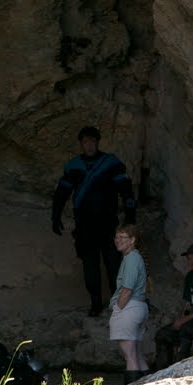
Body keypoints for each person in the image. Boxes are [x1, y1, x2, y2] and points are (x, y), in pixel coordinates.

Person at [51, 125, 137, 317]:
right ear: (81, 144)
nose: (89, 145)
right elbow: (62, 192)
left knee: (113, 264)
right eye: (86, 142)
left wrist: (131, 214)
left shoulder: (110, 163)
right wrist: (55, 215)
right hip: (85, 226)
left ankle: (119, 305)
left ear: (97, 142)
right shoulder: (73, 166)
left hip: (108, 223)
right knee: (90, 266)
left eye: (92, 141)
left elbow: (125, 189)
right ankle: (96, 304)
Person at [109, 223, 149, 382]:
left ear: (133, 240)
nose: (118, 240)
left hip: (129, 307)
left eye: (123, 237)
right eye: (116, 237)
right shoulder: (134, 257)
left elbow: (127, 288)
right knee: (138, 355)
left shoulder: (131, 259)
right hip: (139, 307)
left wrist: (118, 309)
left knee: (130, 356)